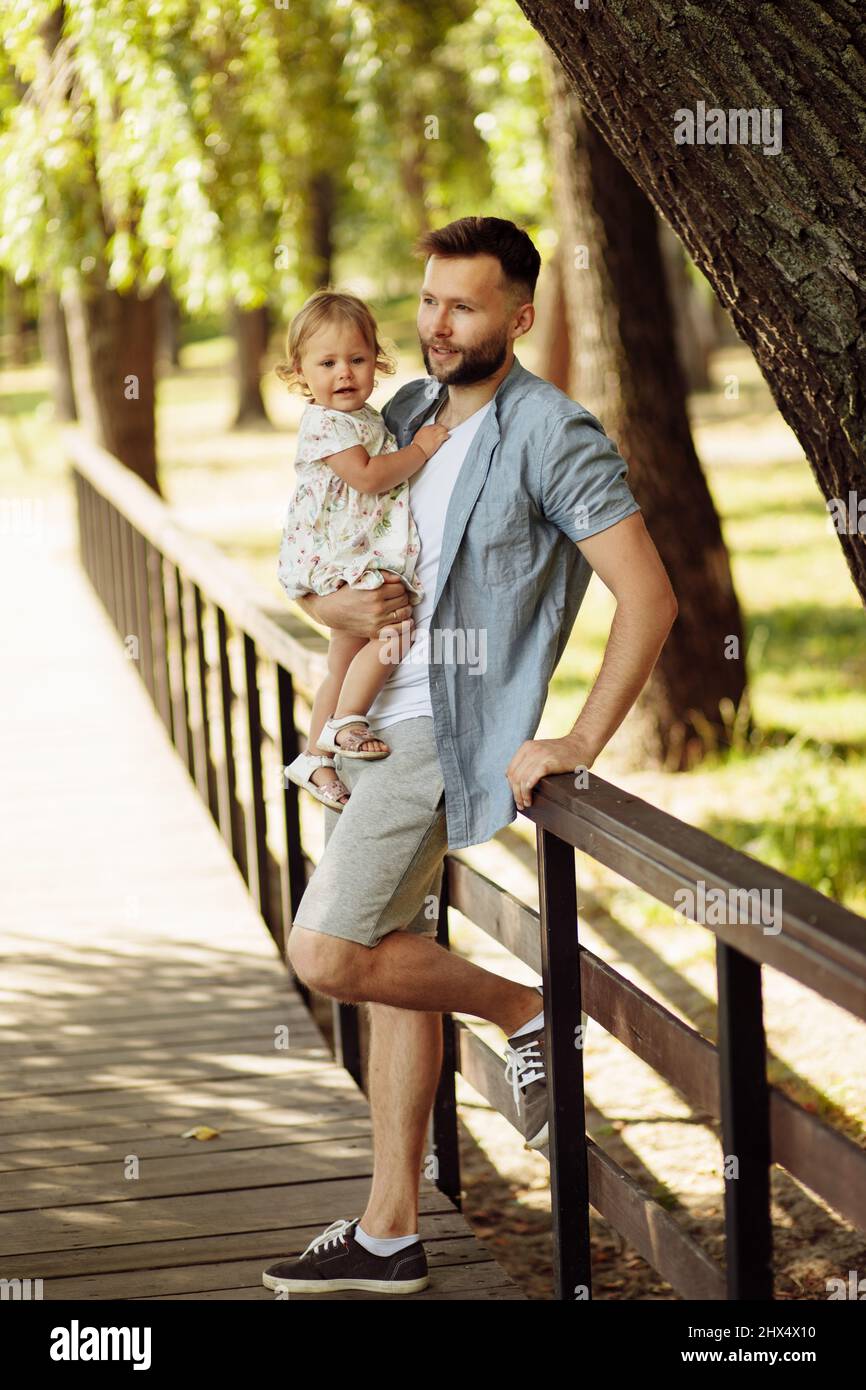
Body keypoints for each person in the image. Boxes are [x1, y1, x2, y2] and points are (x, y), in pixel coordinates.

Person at [262, 216, 678, 1297]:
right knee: (391, 963)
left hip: (437, 739)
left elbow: (648, 597)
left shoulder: (553, 434)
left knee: (324, 953)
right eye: (428, 302)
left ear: (519, 315)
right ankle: (389, 1231)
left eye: (463, 305)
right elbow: (325, 563)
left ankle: (527, 1008)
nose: (436, 326)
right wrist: (328, 604)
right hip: (356, 729)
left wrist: (575, 740)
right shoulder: (398, 410)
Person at [275, 289, 450, 810]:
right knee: (393, 629)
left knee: (342, 661)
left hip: (348, 549)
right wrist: (421, 450)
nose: (344, 373)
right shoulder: (326, 423)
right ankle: (348, 724)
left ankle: (315, 758)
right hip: (342, 556)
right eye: (326, 363)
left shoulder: (365, 416)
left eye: (357, 359)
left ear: (377, 360)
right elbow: (368, 478)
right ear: (301, 373)